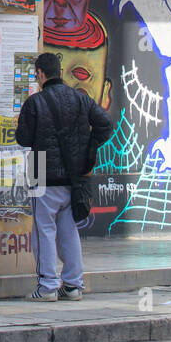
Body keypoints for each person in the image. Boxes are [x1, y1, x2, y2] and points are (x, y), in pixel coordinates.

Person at [16, 51, 113, 301]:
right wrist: (89, 151)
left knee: (43, 229)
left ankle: (47, 285)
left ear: (40, 74)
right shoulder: (81, 99)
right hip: (74, 175)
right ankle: (72, 284)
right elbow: (105, 124)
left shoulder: (34, 103)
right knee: (69, 229)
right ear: (60, 72)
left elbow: (23, 139)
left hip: (40, 172)